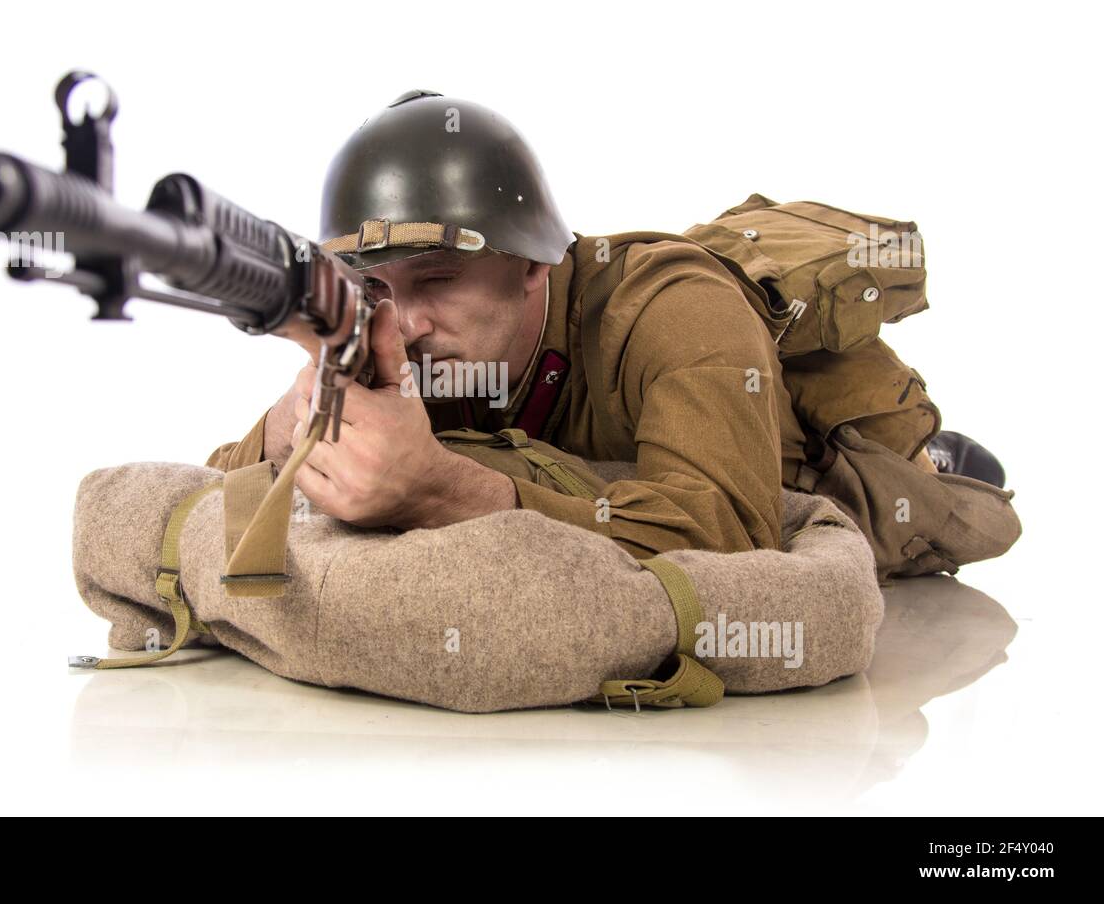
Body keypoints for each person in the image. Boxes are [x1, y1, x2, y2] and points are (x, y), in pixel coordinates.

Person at [206, 90, 1016, 575]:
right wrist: (293, 427)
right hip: (613, 467)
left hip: (824, 457)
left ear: (534, 266)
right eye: (376, 288)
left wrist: (443, 491)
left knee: (925, 510)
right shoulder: (412, 345)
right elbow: (210, 487)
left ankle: (936, 461)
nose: (406, 322)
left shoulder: (671, 306)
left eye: (440, 280)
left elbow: (731, 540)